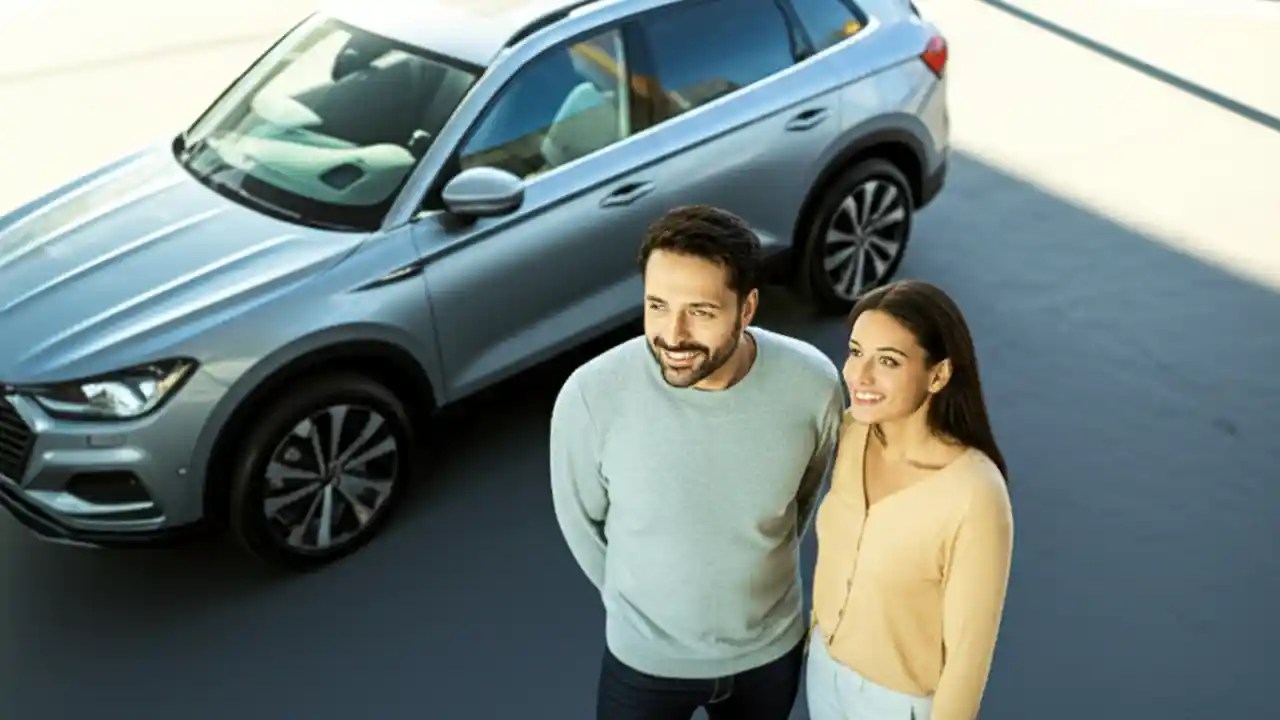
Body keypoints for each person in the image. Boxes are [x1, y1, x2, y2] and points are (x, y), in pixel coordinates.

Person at [549, 205, 845, 720]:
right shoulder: (593, 395)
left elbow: (803, 500)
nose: (673, 334)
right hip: (645, 663)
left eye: (701, 312)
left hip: (770, 655)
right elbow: (581, 522)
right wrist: (650, 608)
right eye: (657, 305)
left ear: (747, 307)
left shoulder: (812, 385)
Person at [806, 279, 1015, 720]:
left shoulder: (975, 494)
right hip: (823, 672)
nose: (859, 375)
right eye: (856, 351)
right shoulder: (851, 433)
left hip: (897, 706)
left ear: (938, 375)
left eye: (888, 361)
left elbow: (967, 657)